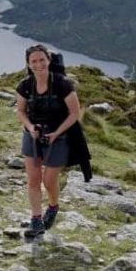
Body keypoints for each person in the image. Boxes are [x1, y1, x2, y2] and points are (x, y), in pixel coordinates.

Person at [15, 44, 81, 240]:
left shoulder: (63, 84)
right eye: (33, 61)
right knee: (33, 179)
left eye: (42, 60)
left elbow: (74, 113)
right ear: (28, 64)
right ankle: (36, 220)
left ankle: (53, 206)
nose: (38, 64)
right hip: (33, 135)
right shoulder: (25, 85)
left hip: (59, 136)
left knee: (49, 180)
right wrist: (30, 127)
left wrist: (57, 132)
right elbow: (20, 111)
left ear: (49, 60)